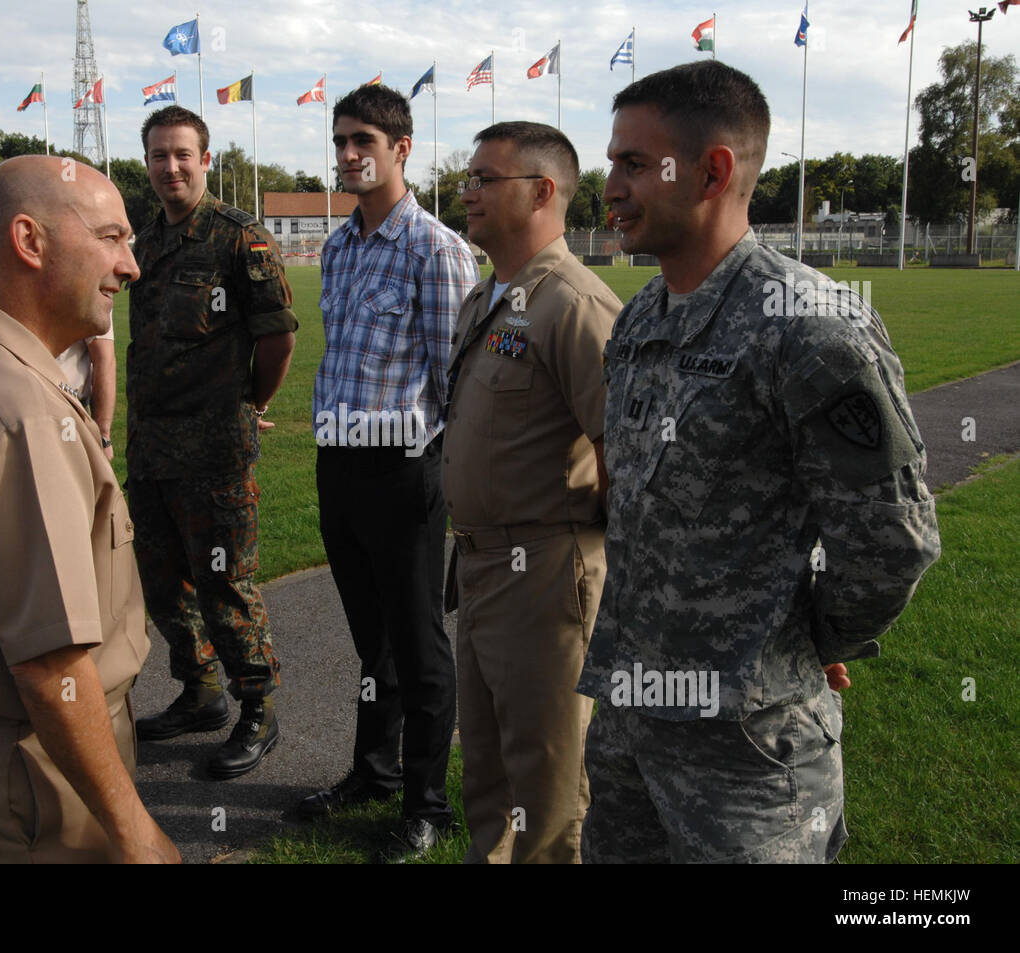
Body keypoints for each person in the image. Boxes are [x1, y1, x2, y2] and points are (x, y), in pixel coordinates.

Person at [576, 60, 941, 863]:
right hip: (631, 714)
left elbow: (892, 539)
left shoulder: (809, 326)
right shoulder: (640, 316)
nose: (610, 186)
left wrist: (803, 640)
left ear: (713, 170)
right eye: (613, 162)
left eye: (634, 163)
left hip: (746, 747)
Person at [0, 155, 180, 863]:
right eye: (112, 236)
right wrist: (135, 831)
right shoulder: (16, 412)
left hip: (16, 757)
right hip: (40, 769)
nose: (130, 265)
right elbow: (53, 669)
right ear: (30, 240)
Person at [298, 84, 479, 862]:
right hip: (337, 468)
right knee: (370, 641)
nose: (347, 154)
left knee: (418, 644)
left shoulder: (435, 248)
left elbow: (459, 383)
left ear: (401, 148)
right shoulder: (338, 248)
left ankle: (425, 802)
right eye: (339, 140)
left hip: (405, 472)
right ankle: (371, 773)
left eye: (362, 140)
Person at [444, 122, 620, 863]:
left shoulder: (575, 304)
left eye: (485, 178)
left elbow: (627, 458)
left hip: (544, 573)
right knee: (488, 781)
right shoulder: (491, 294)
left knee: (546, 797)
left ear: (543, 192)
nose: (467, 192)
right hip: (482, 568)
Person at [127, 105, 297, 779]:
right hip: (151, 447)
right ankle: (200, 692)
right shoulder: (146, 243)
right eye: (158, 156)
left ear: (205, 159)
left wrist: (252, 402)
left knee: (226, 583)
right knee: (162, 583)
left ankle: (258, 705)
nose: (170, 166)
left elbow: (278, 335)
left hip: (215, 452)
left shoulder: (240, 239)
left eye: (182, 154)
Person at [56, 325, 116, 459]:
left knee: (68, 473)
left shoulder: (83, 303)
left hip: (68, 411)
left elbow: (104, 359)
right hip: (11, 409)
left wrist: (103, 436)